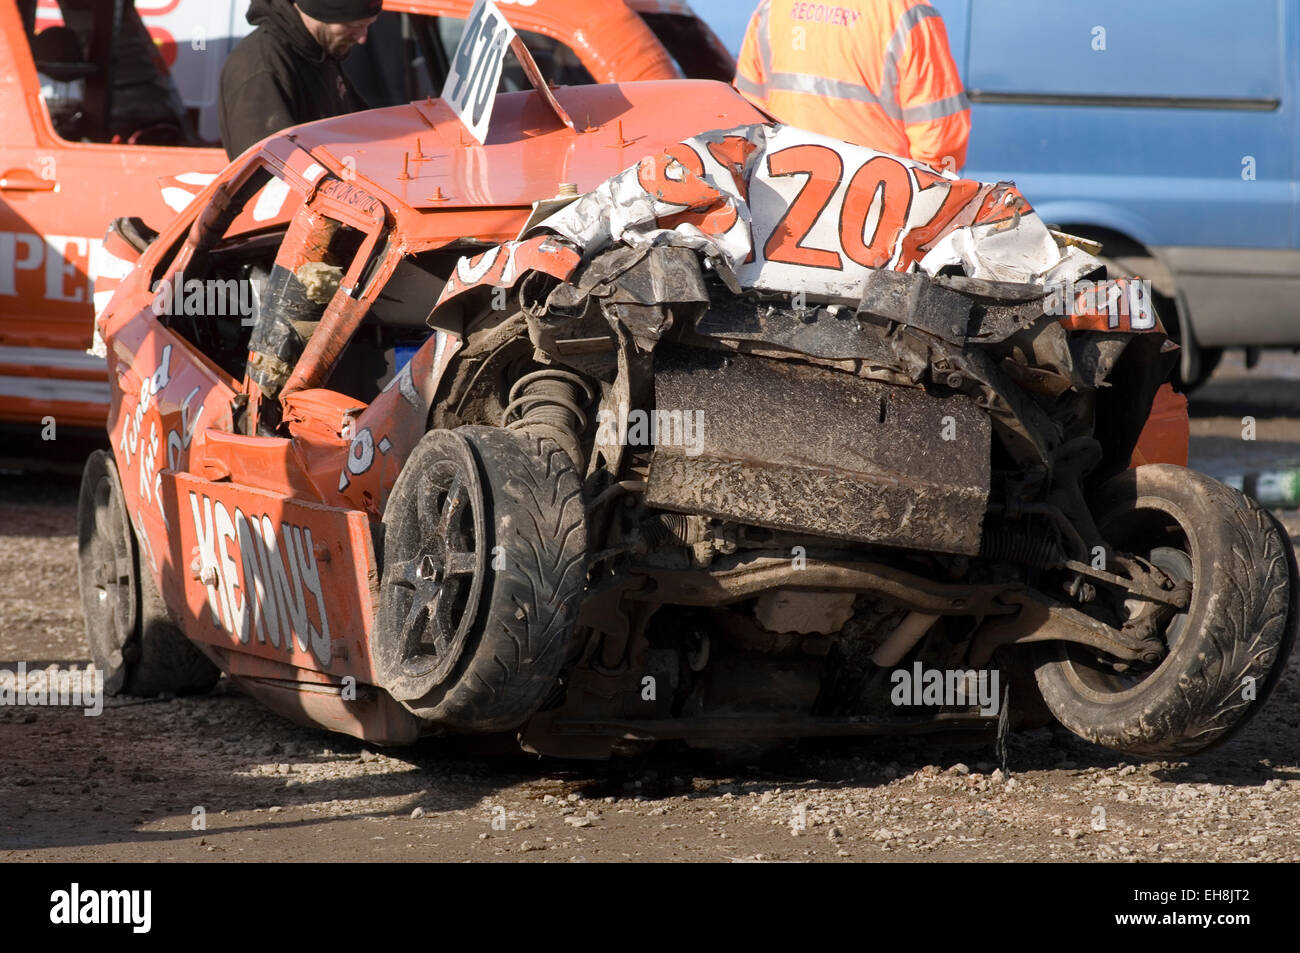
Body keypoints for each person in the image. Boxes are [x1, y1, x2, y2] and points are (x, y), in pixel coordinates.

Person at [735, 0, 970, 172]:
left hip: (787, 186)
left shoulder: (774, 7)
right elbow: (939, 134)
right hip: (875, 195)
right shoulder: (906, 12)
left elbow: (744, 113)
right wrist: (930, 195)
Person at [219, 0, 381, 159]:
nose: (362, 38)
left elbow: (358, 129)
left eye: (369, 25)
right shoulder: (262, 67)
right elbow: (268, 172)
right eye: (355, 26)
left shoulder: (319, 52)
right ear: (322, 13)